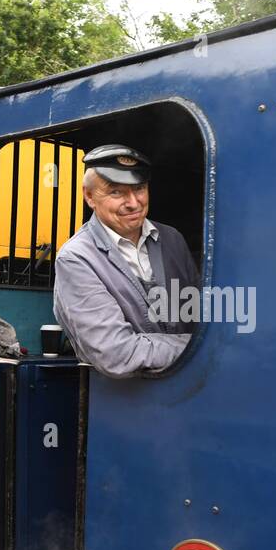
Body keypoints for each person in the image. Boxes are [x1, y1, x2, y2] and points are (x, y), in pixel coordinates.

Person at [52, 144, 199, 377]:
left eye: (139, 188)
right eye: (116, 192)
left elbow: (199, 314)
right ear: (89, 196)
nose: (133, 202)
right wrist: (202, 347)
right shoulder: (76, 258)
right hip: (125, 405)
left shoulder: (172, 239)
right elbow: (116, 354)